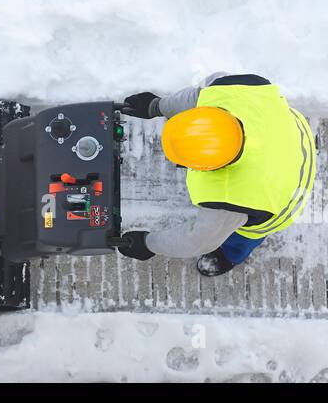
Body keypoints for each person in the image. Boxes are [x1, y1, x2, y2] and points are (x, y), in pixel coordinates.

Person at [113, 73, 315, 276]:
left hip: (289, 193)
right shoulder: (234, 88)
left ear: (209, 167)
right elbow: (198, 97)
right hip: (293, 135)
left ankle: (231, 255)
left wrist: (148, 244)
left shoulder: (236, 201)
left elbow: (196, 241)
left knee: (246, 230)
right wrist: (156, 106)